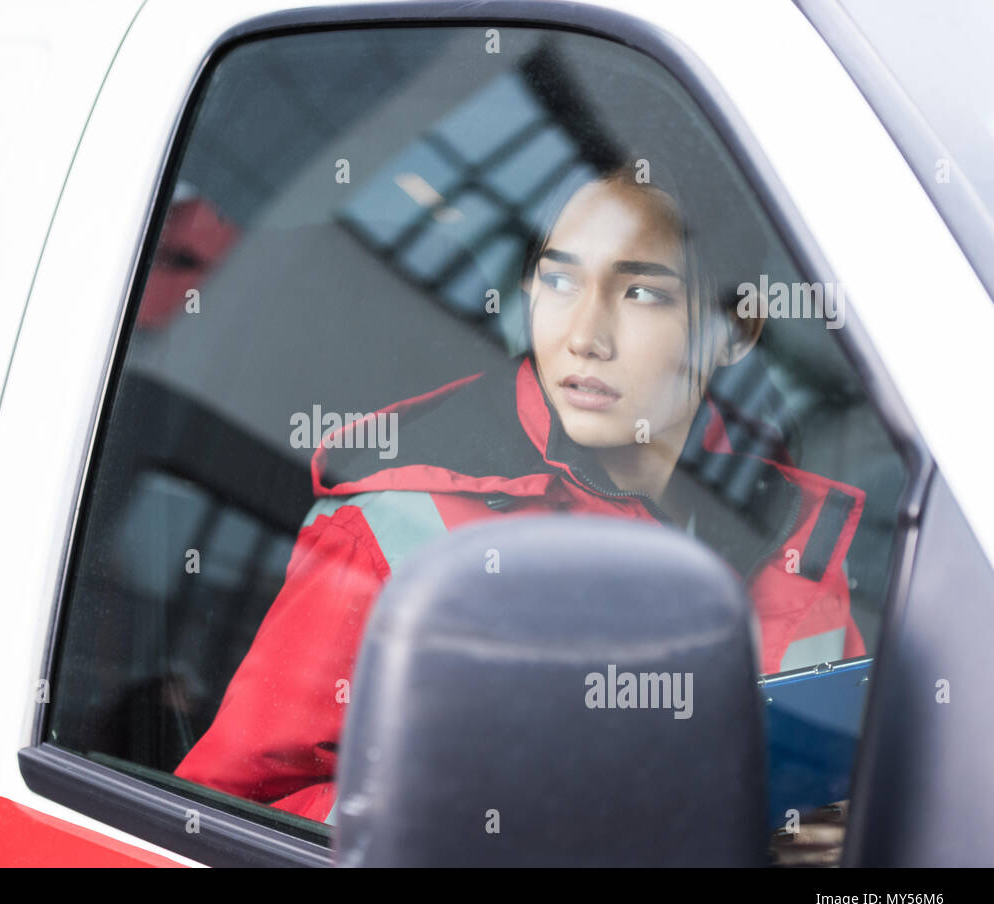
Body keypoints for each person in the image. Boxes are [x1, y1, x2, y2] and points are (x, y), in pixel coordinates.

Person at [173, 160, 866, 835]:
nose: (585, 336)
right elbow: (225, 818)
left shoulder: (796, 547)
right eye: (561, 280)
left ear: (737, 330)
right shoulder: (396, 521)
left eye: (642, 293)